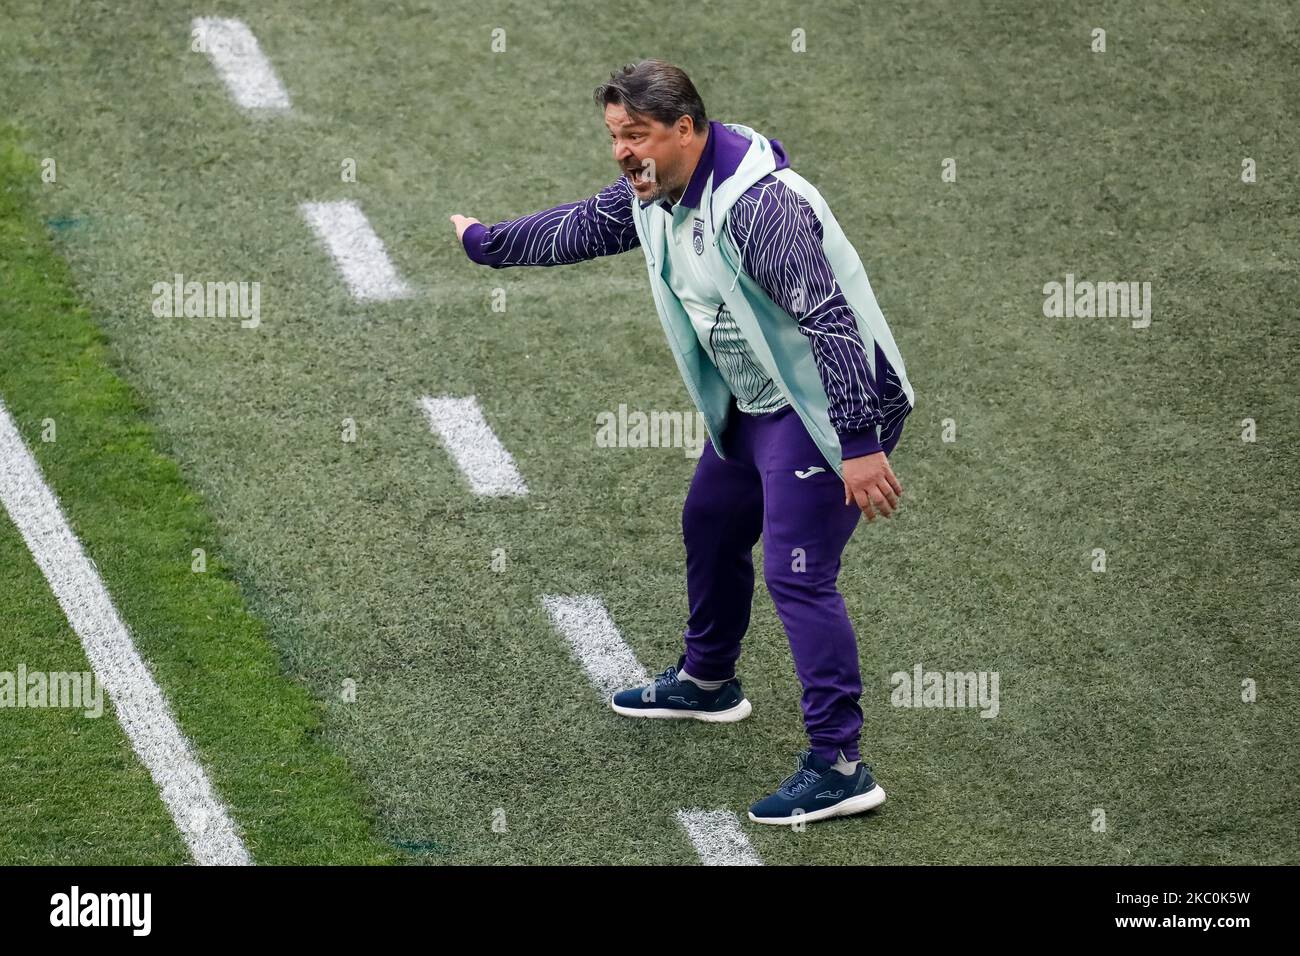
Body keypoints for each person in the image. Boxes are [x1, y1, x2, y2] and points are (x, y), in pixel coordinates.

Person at [451, 58, 916, 825]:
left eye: (635, 136)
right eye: (613, 136)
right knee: (711, 523)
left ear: (686, 129)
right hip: (761, 400)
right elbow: (581, 227)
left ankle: (840, 764)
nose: (621, 152)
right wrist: (488, 244)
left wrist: (859, 447)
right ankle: (708, 683)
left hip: (832, 407)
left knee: (798, 573)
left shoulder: (760, 207)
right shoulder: (658, 189)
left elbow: (827, 319)